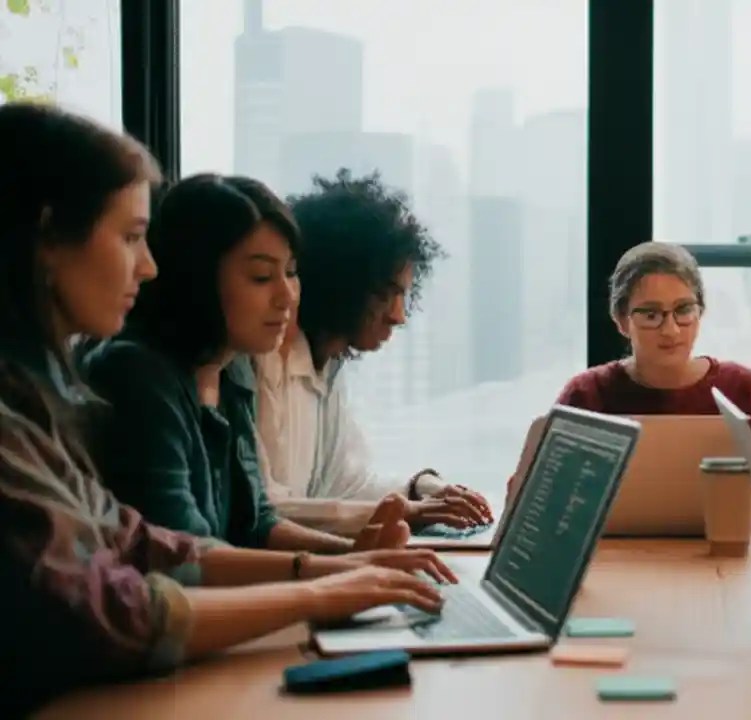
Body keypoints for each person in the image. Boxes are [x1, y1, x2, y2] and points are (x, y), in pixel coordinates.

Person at [0, 102, 452, 715]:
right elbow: (101, 613)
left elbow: (140, 541)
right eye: (131, 236)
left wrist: (336, 570)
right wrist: (319, 590)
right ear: (49, 236)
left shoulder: (40, 393)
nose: (149, 265)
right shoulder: (109, 379)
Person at [81, 172, 407, 554]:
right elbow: (184, 558)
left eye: (290, 272)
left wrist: (354, 558)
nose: (287, 297)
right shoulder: (136, 374)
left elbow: (256, 522)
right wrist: (337, 575)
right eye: (261, 276)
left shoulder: (231, 369)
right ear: (197, 279)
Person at [254, 169, 491, 535]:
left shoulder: (329, 365)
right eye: (385, 294)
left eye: (403, 296)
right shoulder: (263, 361)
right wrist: (409, 512)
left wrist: (423, 488)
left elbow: (346, 484)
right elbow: (265, 508)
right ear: (340, 283)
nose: (398, 316)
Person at [548, 241, 751, 508]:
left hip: (729, 545)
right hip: (614, 548)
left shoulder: (744, 389)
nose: (671, 330)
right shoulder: (587, 394)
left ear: (700, 312)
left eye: (683, 310)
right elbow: (538, 495)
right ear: (621, 321)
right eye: (651, 314)